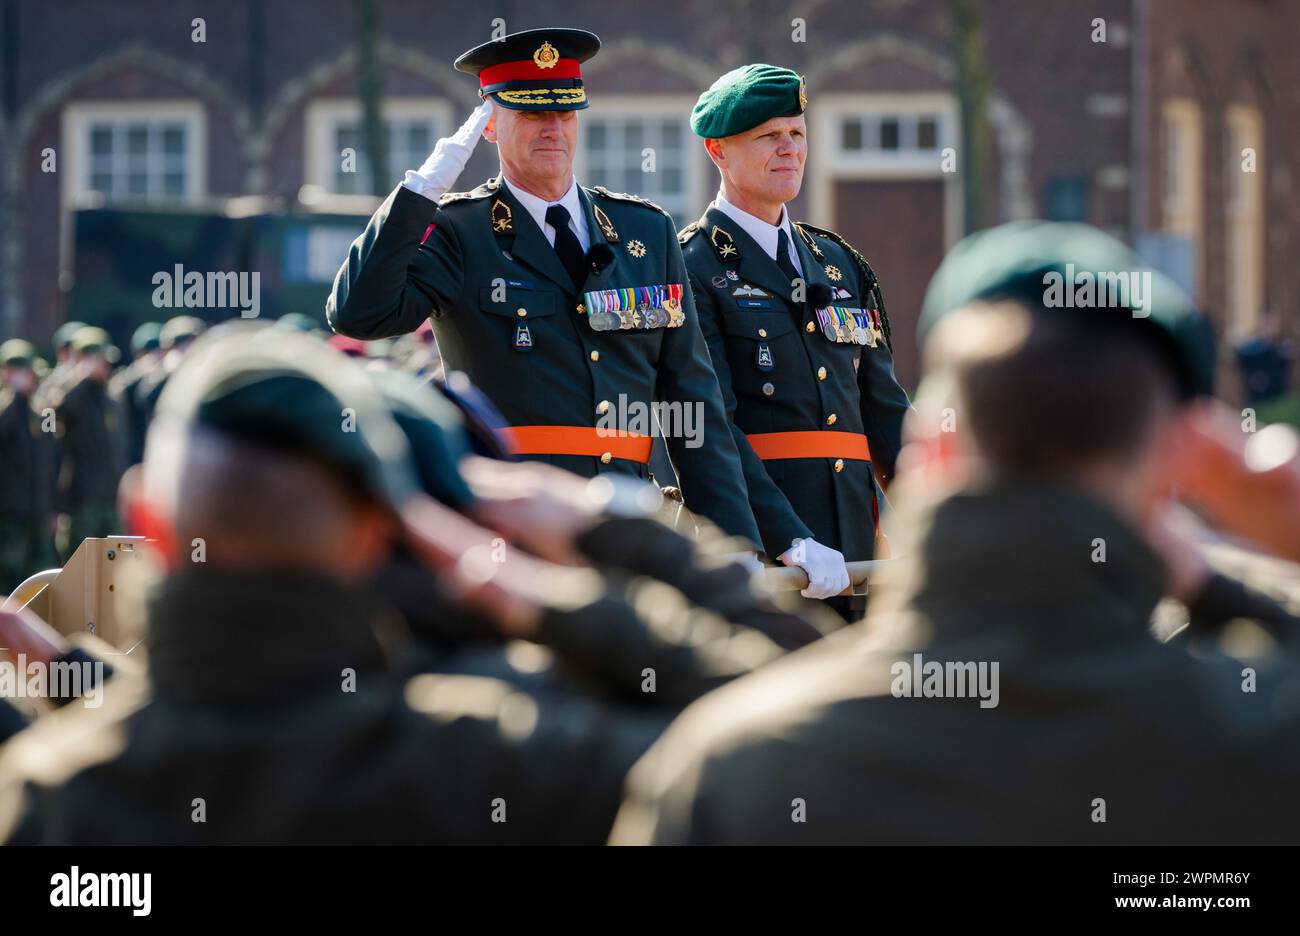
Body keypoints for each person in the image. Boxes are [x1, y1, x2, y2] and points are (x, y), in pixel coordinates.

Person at [613, 221, 1300, 845]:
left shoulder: (737, 771)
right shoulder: (1261, 732)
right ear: (1180, 467)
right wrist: (1235, 574)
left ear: (928, 453)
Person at [0, 326, 821, 844]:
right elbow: (815, 750)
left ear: (148, 520)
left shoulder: (48, 803)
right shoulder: (509, 765)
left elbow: (216, 721)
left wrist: (62, 670)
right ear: (376, 533)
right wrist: (600, 535)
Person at [327, 28, 762, 549]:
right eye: (532, 114)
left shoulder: (645, 230)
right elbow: (359, 314)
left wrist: (735, 545)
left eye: (564, 113)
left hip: (630, 517)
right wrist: (420, 193)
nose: (552, 129)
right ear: (490, 126)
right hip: (517, 523)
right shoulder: (461, 231)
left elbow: (693, 401)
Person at [679, 65, 911, 611]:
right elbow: (712, 424)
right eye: (768, 136)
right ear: (717, 151)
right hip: (766, 550)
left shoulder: (838, 262)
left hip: (858, 545)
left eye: (797, 134)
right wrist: (786, 537)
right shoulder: (693, 265)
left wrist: (941, 516)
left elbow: (884, 411)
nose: (789, 150)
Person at [48, 327, 128, 558]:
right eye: (99, 360)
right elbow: (53, 416)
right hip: (82, 500)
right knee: (79, 565)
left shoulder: (111, 397)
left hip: (111, 499)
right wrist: (82, 378)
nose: (104, 366)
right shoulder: (69, 392)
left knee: (114, 565)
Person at [0, 340, 57, 591]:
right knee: (10, 573)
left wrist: (54, 508)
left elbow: (52, 461)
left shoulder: (42, 411)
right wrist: (13, 395)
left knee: (41, 575)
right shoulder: (7, 408)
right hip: (11, 512)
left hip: (40, 511)